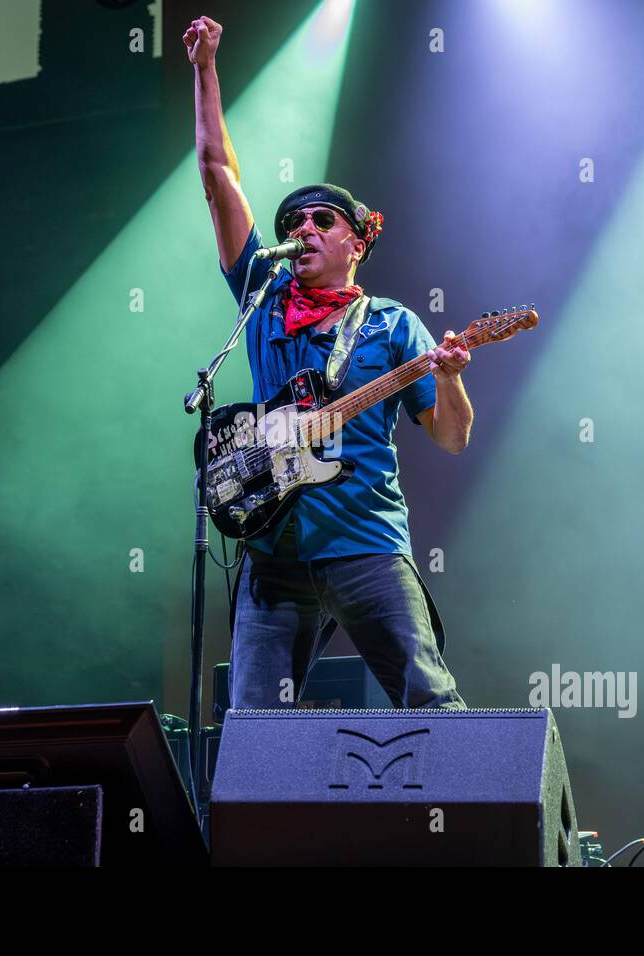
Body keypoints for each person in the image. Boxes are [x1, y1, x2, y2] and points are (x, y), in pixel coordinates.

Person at [186, 16, 470, 709]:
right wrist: (204, 68)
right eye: (292, 224)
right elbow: (217, 173)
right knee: (254, 729)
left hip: (365, 537)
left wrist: (453, 377)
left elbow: (451, 436)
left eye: (320, 221)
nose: (301, 230)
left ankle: (471, 814)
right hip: (272, 548)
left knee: (430, 699)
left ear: (356, 244)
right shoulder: (264, 294)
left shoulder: (394, 323)